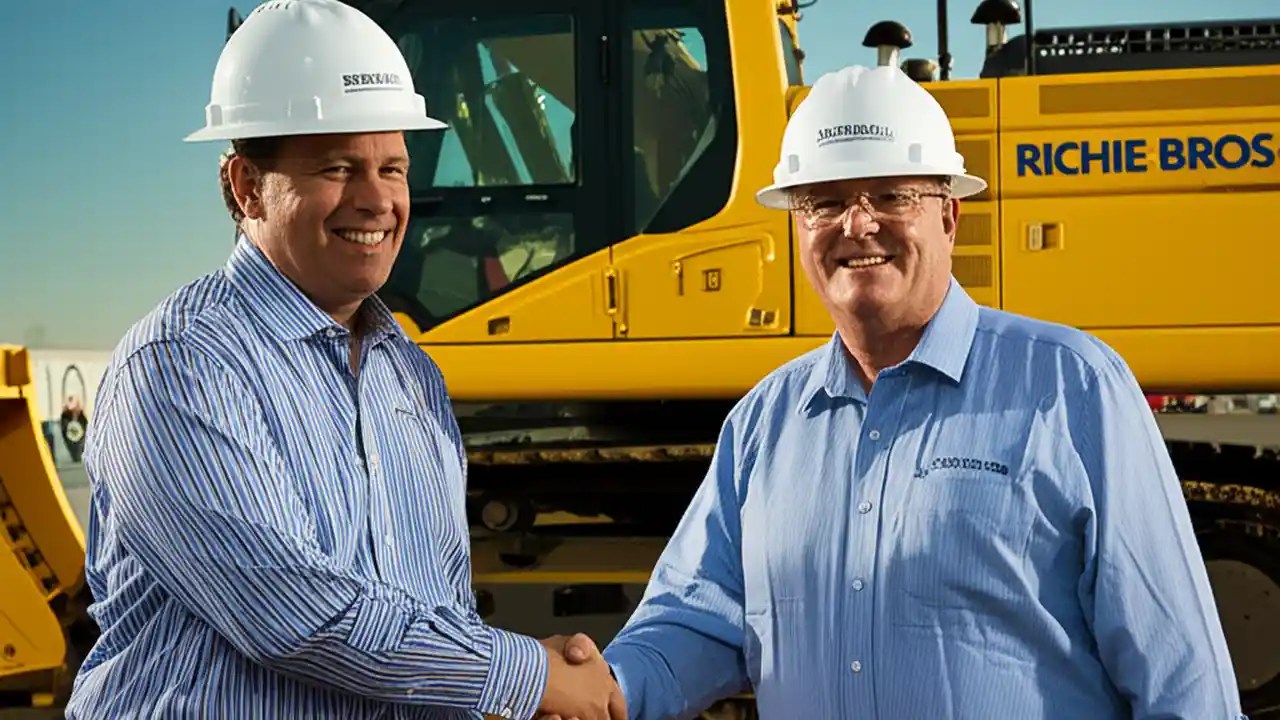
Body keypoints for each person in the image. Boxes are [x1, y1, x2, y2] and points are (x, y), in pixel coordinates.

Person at [564, 64, 1246, 718]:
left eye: (892, 195)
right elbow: (700, 620)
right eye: (825, 202)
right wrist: (600, 685)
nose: (857, 225)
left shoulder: (1070, 388)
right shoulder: (763, 425)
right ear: (797, 226)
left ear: (949, 217)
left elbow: (1180, 675)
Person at [67, 1, 623, 718]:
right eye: (338, 168)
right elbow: (290, 611)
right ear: (245, 186)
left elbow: (439, 610)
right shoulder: (183, 366)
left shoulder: (409, 376)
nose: (377, 201)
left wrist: (514, 687)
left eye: (393, 168)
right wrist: (531, 677)